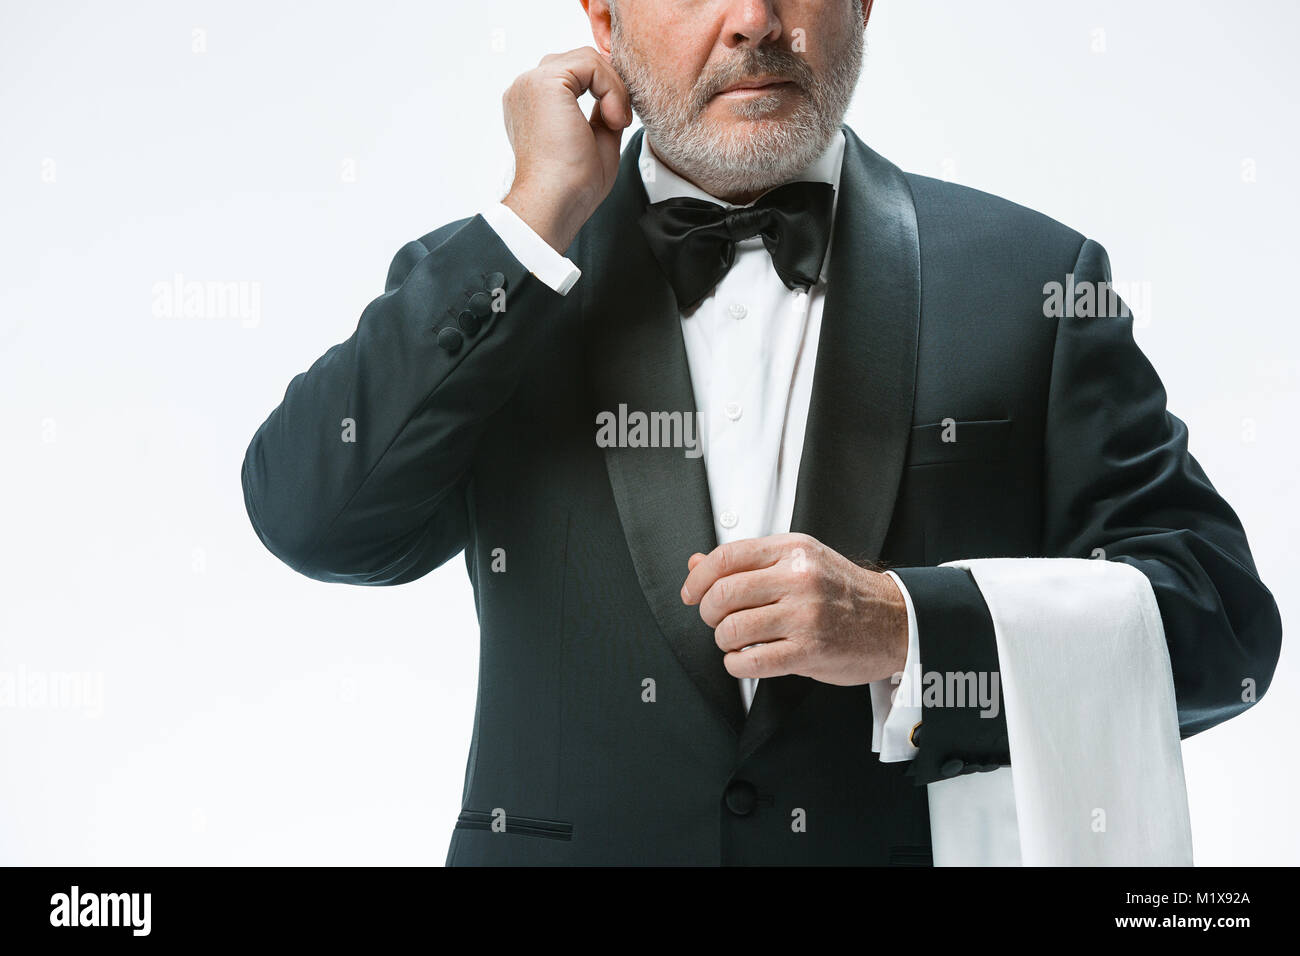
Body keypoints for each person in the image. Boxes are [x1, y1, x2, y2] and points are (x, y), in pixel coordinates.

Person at [241, 0, 1281, 865]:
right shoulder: (506, 280)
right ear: (602, 17)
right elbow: (311, 518)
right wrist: (532, 213)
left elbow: (1222, 627)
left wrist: (904, 625)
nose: (754, 22)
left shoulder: (1030, 280)